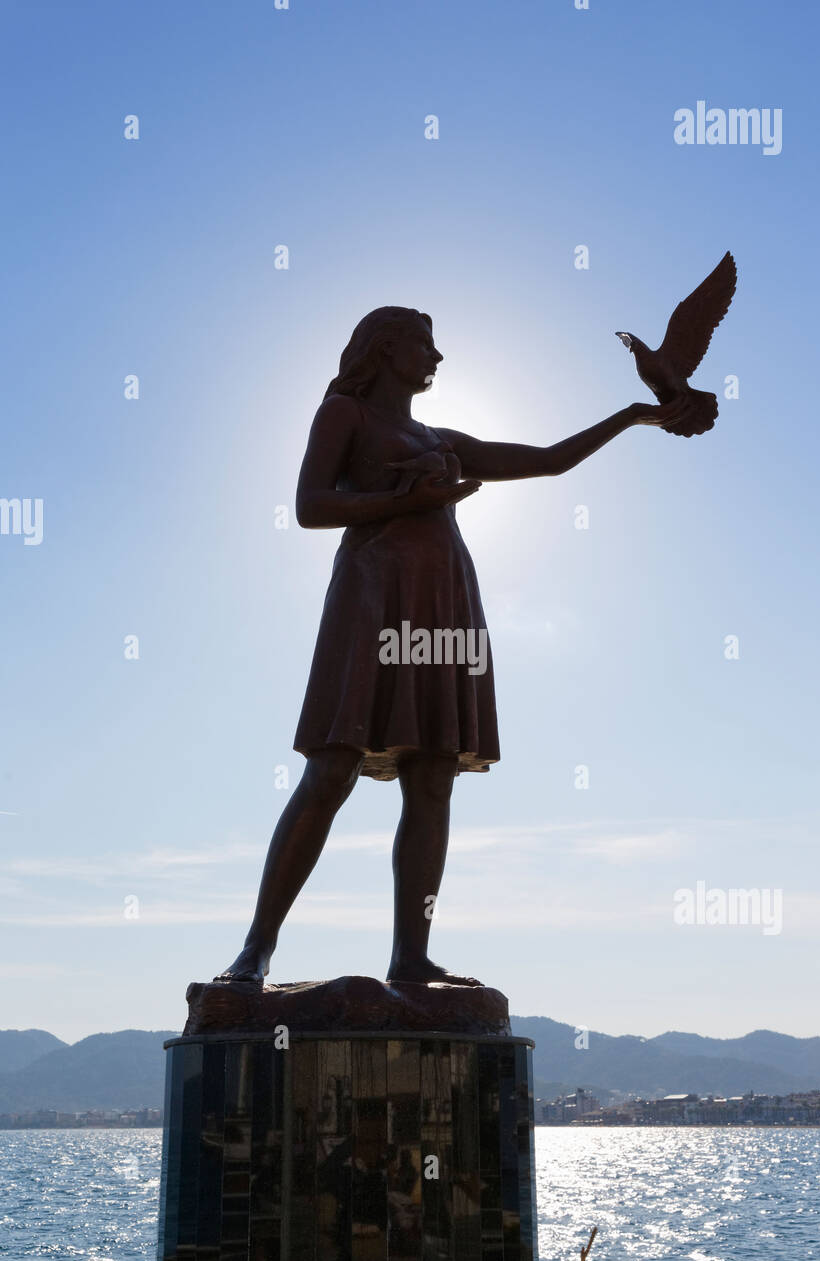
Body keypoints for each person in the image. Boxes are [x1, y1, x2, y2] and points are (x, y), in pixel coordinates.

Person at [218, 307, 690, 985]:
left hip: (444, 602)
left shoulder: (438, 435)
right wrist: (409, 499)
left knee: (434, 776)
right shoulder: (344, 415)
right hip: (374, 595)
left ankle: (411, 957)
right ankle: (256, 949)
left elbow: (549, 461)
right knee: (332, 768)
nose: (437, 358)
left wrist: (636, 415)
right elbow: (310, 507)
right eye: (425, 345)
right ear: (385, 348)